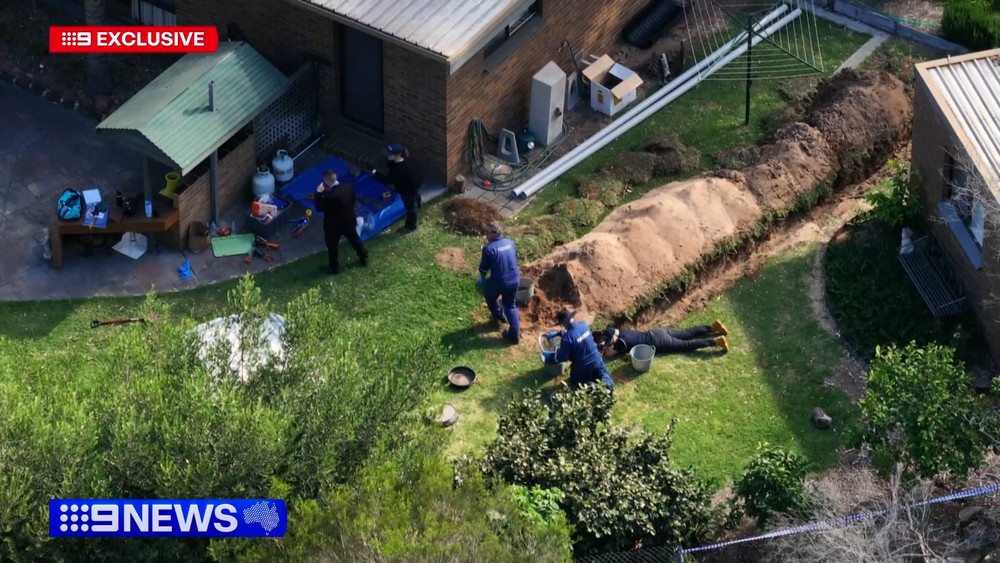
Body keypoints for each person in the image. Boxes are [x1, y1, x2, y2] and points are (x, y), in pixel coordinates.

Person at [543, 309, 614, 390]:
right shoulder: (583, 325)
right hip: (596, 358)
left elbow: (562, 357)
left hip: (583, 366)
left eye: (562, 325)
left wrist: (551, 356)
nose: (562, 326)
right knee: (602, 373)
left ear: (563, 323)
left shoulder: (567, 338)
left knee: (575, 380)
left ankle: (594, 387)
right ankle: (608, 385)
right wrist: (559, 333)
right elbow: (576, 335)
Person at [314, 169, 367, 275]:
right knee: (354, 238)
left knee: (332, 246)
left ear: (327, 182)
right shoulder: (348, 187)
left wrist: (319, 194)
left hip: (333, 226)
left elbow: (319, 207)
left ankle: (334, 268)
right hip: (348, 219)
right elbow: (352, 201)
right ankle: (363, 256)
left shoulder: (329, 197)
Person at [478, 222, 520, 344]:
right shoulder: (510, 242)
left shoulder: (488, 249)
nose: (485, 235)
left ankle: (500, 316)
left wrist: (482, 278)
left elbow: (484, 269)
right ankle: (514, 335)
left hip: (500, 281)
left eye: (487, 232)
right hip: (515, 279)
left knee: (490, 296)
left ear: (494, 233)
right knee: (510, 305)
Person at [599, 320, 729, 357]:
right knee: (688, 332)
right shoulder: (623, 332)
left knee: (687, 345)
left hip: (659, 342)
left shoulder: (620, 344)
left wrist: (606, 351)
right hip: (657, 332)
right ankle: (713, 327)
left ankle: (716, 341)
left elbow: (611, 354)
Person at [372, 144, 424, 233]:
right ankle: (419, 204)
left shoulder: (397, 170)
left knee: (411, 207)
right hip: (414, 185)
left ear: (396, 155)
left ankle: (411, 226)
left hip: (407, 190)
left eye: (390, 154)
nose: (387, 155)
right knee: (416, 195)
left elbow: (387, 180)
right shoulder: (410, 160)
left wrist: (375, 173)